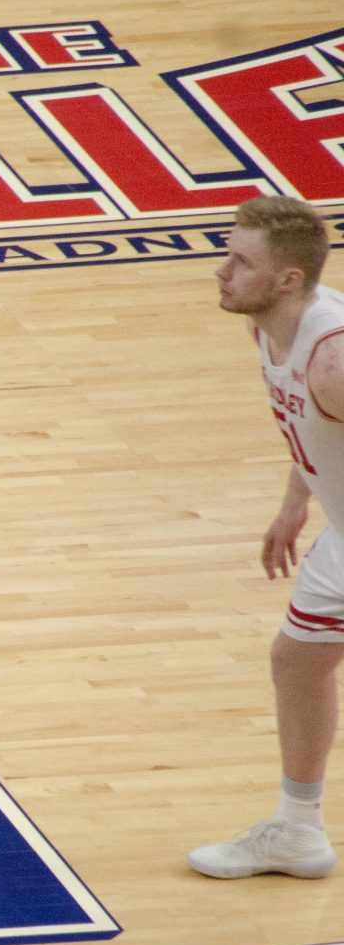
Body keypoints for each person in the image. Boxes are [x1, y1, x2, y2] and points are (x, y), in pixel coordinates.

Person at [191, 196, 344, 895]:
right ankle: (298, 829)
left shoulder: (334, 360)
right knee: (298, 662)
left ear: (286, 279)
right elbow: (316, 435)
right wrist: (295, 504)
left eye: (240, 261)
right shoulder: (271, 329)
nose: (222, 272)